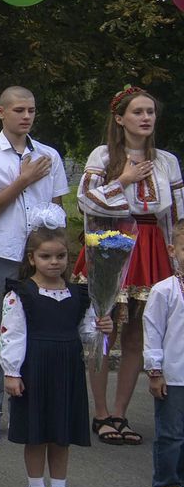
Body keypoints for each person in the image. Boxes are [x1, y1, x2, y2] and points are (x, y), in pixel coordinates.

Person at [76, 86, 181, 447]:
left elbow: (177, 215)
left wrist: (176, 256)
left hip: (152, 248)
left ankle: (121, 413)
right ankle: (101, 413)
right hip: (113, 243)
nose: (146, 118)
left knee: (139, 331)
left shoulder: (167, 161)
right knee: (105, 328)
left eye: (150, 111)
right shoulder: (104, 156)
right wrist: (123, 180)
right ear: (120, 118)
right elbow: (86, 201)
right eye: (138, 112)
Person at [0, 86, 68, 442]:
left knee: (41, 330)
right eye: (19, 110)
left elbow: (56, 213)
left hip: (40, 258)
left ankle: (34, 406)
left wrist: (54, 253)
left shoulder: (49, 156)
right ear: (0, 112)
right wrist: (22, 181)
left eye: (32, 111)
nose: (26, 116)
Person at [0, 211, 108, 487]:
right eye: (46, 256)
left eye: (61, 256)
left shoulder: (79, 294)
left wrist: (102, 327)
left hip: (67, 368)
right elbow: (12, 334)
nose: (54, 262)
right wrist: (11, 372)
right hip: (35, 367)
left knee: (62, 430)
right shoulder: (21, 293)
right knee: (37, 430)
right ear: (32, 258)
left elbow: (86, 333)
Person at [143, 224, 184, 487]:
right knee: (172, 433)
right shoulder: (164, 290)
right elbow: (153, 332)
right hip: (174, 375)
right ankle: (165, 486)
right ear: (173, 251)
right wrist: (155, 371)